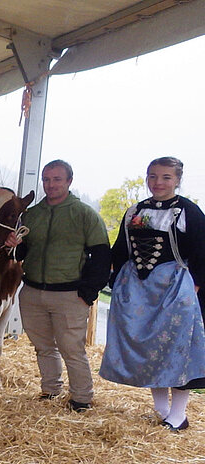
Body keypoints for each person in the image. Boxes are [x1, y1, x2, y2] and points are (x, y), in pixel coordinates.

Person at [98, 156, 205, 431]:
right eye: (153, 176)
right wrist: (118, 282)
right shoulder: (135, 210)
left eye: (166, 177)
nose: (158, 182)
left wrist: (194, 287)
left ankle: (179, 415)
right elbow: (121, 250)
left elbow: (202, 251)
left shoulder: (189, 211)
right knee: (150, 350)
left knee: (177, 352)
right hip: (138, 290)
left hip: (175, 289)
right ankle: (162, 410)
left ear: (178, 180)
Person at [5, 159, 109, 412]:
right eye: (46, 179)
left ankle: (82, 398)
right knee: (43, 347)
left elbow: (102, 256)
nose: (50, 185)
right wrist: (13, 246)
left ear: (69, 181)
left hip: (69, 295)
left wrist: (87, 292)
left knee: (72, 349)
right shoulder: (32, 215)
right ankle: (51, 390)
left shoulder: (85, 215)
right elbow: (23, 253)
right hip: (32, 292)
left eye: (57, 179)